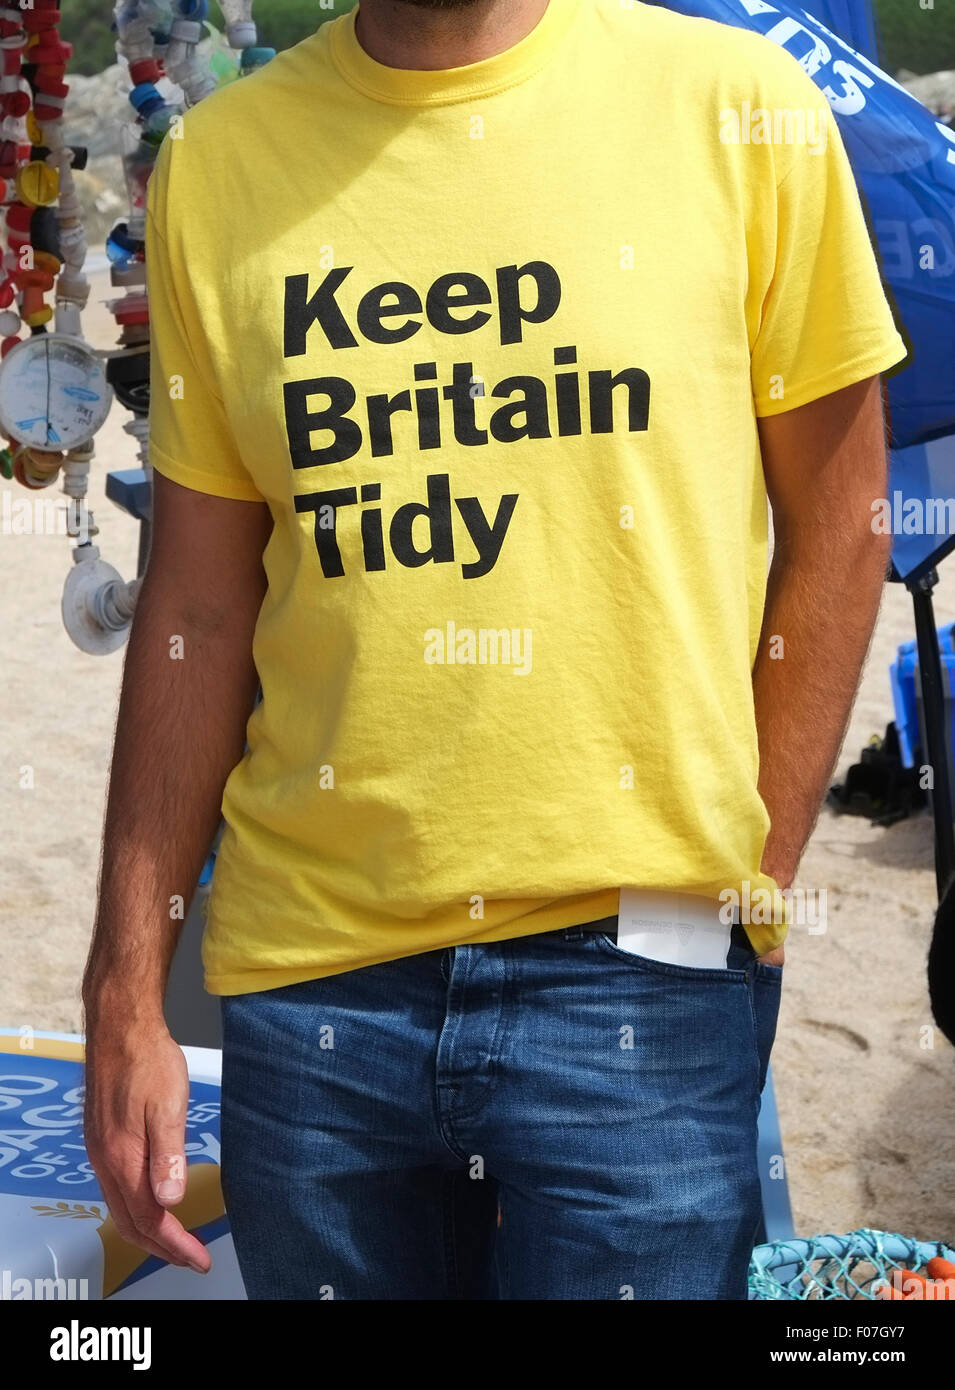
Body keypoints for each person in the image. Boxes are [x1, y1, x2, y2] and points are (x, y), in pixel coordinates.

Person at [82, 0, 908, 1300]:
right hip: (316, 996)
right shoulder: (221, 164)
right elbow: (192, 609)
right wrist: (125, 987)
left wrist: (755, 878)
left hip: (639, 973)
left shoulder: (738, 111)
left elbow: (845, 520)